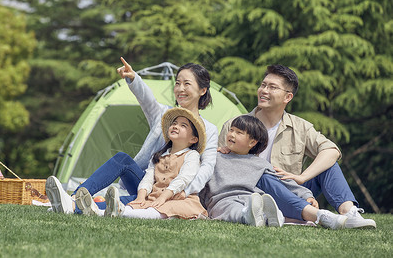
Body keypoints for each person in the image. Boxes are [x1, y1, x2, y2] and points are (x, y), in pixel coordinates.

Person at [45, 57, 218, 214]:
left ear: (202, 90)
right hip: (148, 183)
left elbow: (206, 169)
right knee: (122, 159)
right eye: (178, 83)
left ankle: (74, 208)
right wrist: (133, 79)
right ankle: (73, 199)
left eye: (187, 84)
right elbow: (147, 100)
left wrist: (184, 191)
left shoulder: (208, 130)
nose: (180, 89)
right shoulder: (165, 116)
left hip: (178, 191)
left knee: (122, 203)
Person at [218, 65, 376, 229]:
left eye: (272, 87)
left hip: (291, 190)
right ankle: (316, 215)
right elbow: (218, 167)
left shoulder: (300, 127)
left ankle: (350, 213)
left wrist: (303, 177)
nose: (264, 90)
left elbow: (332, 151)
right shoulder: (234, 125)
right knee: (262, 176)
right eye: (263, 85)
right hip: (251, 195)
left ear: (288, 97)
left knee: (328, 166)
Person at [204, 115, 349, 229]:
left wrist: (306, 195)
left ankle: (267, 215)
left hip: (251, 197)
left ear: (252, 143)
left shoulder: (259, 163)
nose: (232, 135)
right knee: (233, 210)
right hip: (222, 200)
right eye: (231, 130)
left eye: (239, 132)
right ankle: (253, 216)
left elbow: (283, 181)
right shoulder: (215, 156)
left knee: (258, 199)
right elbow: (201, 178)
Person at [82, 107, 208, 219]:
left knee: (158, 210)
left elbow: (183, 179)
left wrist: (163, 198)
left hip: (178, 199)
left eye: (183, 126)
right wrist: (141, 196)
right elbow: (148, 178)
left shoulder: (192, 155)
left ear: (193, 139)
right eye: (174, 123)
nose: (175, 126)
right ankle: (88, 205)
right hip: (153, 197)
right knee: (139, 205)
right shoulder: (158, 156)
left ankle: (111, 211)